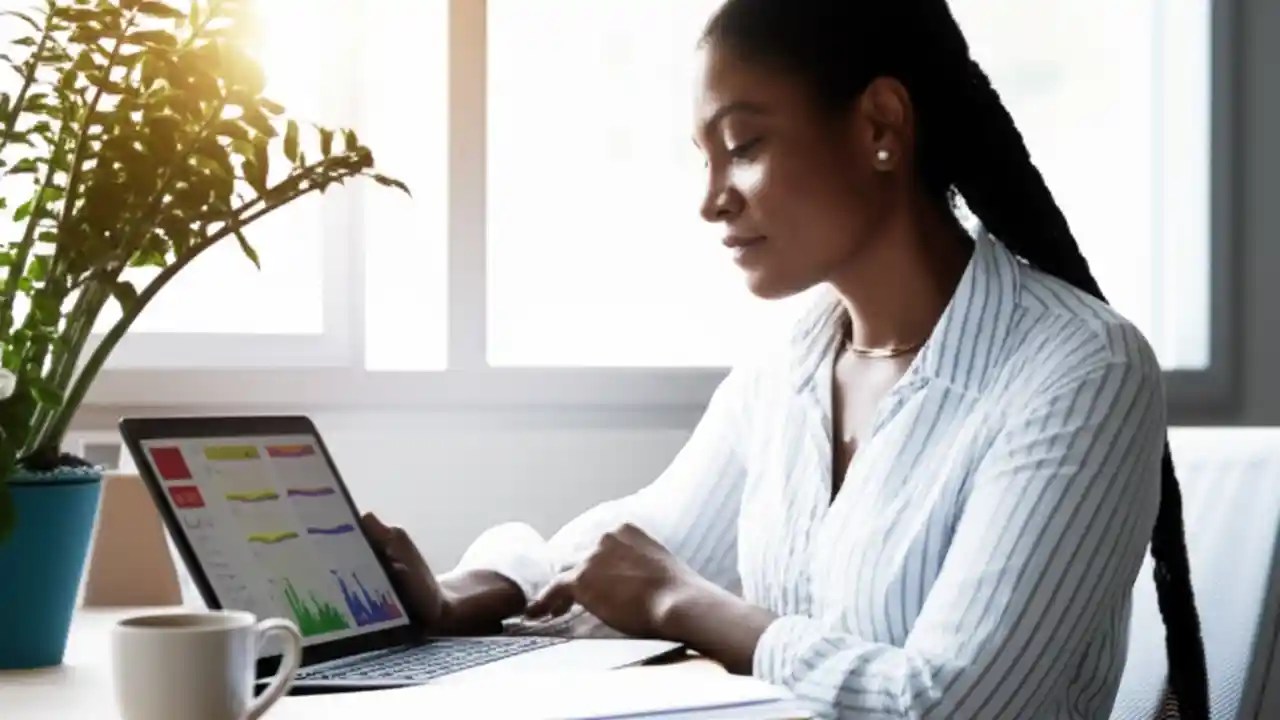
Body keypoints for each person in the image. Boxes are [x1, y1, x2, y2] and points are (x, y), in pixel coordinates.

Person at [361, 0, 1210, 717]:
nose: (711, 199)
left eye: (745, 145)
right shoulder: (792, 366)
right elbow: (646, 540)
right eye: (706, 157)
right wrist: (471, 592)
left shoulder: (1082, 371)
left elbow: (951, 702)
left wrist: (685, 605)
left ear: (881, 126)